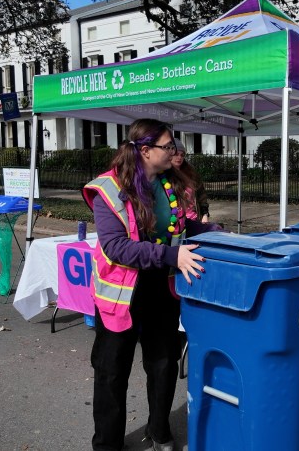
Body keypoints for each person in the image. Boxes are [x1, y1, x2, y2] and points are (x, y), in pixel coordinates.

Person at [82, 119, 220, 451]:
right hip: (122, 293)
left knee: (162, 364)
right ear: (146, 151)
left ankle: (158, 431)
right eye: (168, 145)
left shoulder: (167, 183)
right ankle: (107, 444)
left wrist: (213, 231)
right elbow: (115, 247)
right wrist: (172, 256)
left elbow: (178, 223)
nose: (175, 151)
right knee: (112, 372)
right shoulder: (109, 189)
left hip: (161, 287)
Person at [170, 138, 210, 222]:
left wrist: (205, 214)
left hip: (194, 219)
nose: (179, 157)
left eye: (182, 155)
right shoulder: (163, 175)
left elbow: (201, 195)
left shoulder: (191, 174)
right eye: (176, 154)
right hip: (175, 223)